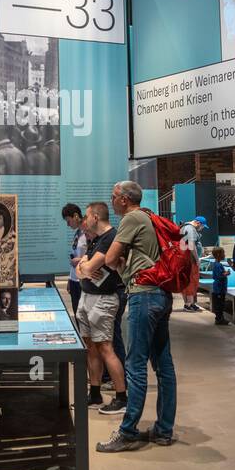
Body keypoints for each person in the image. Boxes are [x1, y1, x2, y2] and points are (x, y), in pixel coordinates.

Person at [97, 180, 176, 453]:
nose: (111, 200)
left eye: (113, 195)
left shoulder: (131, 218)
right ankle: (164, 430)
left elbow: (109, 259)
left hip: (143, 296)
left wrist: (122, 267)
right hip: (161, 295)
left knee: (136, 365)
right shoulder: (151, 217)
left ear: (124, 199)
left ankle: (128, 431)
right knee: (163, 366)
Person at [74, 201, 127, 414]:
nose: (85, 221)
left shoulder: (110, 238)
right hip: (87, 297)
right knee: (90, 347)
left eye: (87, 216)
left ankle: (121, 397)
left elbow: (88, 266)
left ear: (95, 217)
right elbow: (80, 269)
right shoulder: (96, 240)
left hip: (103, 300)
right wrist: (83, 268)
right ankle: (95, 393)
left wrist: (85, 267)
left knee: (105, 347)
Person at [62, 203, 87, 316]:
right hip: (74, 279)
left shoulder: (89, 233)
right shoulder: (77, 234)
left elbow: (97, 254)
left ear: (76, 216)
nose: (68, 225)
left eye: (68, 221)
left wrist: (81, 259)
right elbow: (74, 257)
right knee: (77, 314)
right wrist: (70, 278)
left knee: (84, 315)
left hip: (84, 280)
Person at [179, 216, 206, 311]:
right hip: (190, 260)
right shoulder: (190, 229)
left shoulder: (184, 227)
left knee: (187, 280)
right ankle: (189, 304)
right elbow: (191, 245)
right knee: (191, 280)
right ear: (198, 223)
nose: (202, 229)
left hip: (184, 259)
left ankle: (190, 303)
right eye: (202, 226)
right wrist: (197, 259)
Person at [209, 246, 231, 325]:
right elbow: (220, 275)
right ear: (218, 254)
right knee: (220, 304)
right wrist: (226, 273)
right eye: (223, 253)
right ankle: (219, 319)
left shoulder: (217, 264)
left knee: (220, 304)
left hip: (219, 288)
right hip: (219, 288)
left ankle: (220, 318)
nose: (224, 255)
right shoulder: (218, 265)